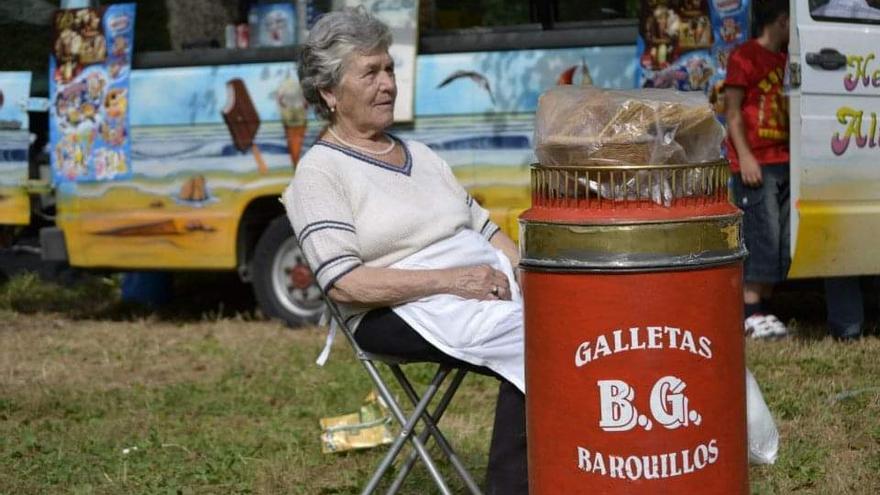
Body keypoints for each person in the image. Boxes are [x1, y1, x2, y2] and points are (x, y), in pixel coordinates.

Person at [282, 8, 527, 494]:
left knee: (578, 324)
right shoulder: (320, 173)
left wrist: (537, 275)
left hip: (477, 287)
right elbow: (345, 283)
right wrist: (456, 281)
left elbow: (487, 231)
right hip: (395, 309)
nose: (388, 84)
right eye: (369, 72)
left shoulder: (423, 156)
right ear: (329, 93)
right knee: (542, 341)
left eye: (389, 68)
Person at [724, 0, 791, 338]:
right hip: (756, 163)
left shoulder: (786, 61)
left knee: (779, 239)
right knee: (760, 236)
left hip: (785, 159)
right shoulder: (744, 56)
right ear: (782, 21)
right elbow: (732, 112)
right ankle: (750, 313)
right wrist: (745, 156)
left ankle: (763, 310)